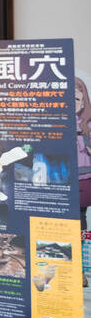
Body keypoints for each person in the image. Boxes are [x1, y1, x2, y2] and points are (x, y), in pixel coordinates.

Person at [75, 76, 90, 225]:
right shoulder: (54, 121)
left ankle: (84, 246)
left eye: (77, 99)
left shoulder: (87, 124)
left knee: (80, 217)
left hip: (84, 178)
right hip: (60, 178)